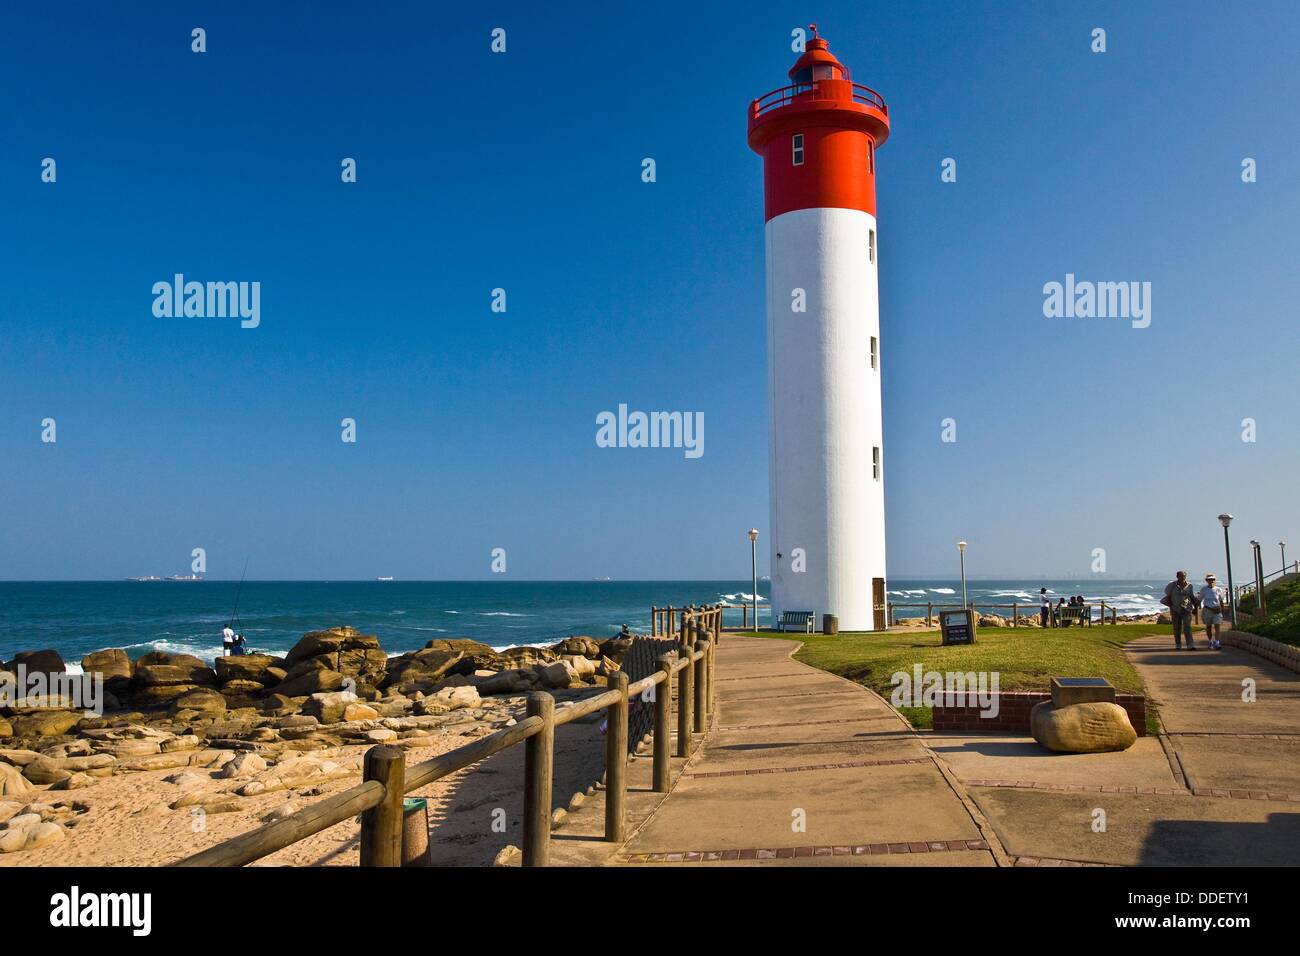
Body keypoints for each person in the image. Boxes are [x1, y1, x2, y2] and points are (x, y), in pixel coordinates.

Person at [1162, 570, 1200, 650]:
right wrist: (1171, 608)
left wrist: (1195, 608)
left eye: (1184, 576)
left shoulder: (1190, 586)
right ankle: (1178, 645)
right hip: (1175, 609)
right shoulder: (1172, 585)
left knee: (1187, 627)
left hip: (1187, 609)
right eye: (1181, 576)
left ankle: (1190, 645)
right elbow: (1168, 597)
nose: (1183, 578)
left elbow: (1191, 597)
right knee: (1177, 628)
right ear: (1177, 577)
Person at [1199, 574, 1224, 649]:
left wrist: (1222, 610)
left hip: (1216, 610)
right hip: (1207, 610)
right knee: (1208, 627)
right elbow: (1200, 599)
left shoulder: (1218, 589)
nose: (1211, 581)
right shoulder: (1204, 589)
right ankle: (1210, 641)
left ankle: (1217, 642)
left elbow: (1221, 601)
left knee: (1217, 626)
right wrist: (1195, 608)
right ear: (1207, 581)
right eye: (1209, 579)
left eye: (1213, 579)